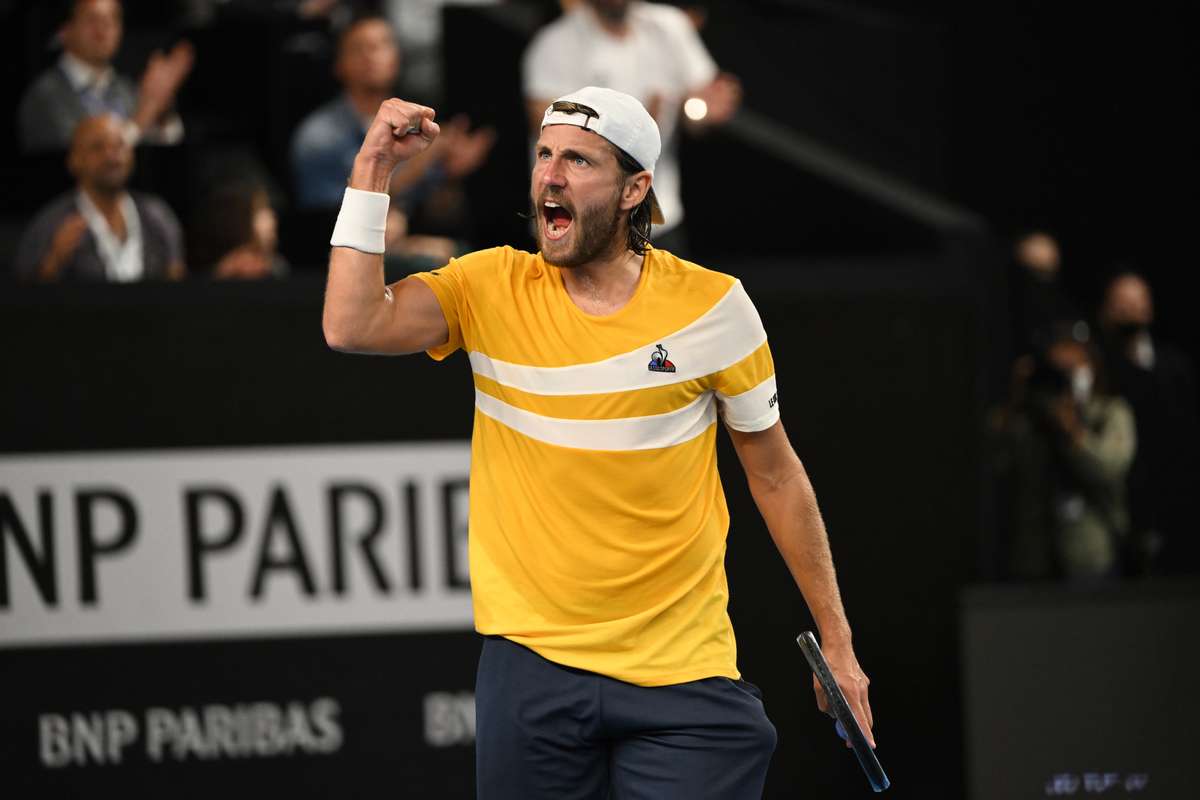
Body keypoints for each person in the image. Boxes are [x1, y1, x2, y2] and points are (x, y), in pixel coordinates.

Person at [320, 86, 874, 798]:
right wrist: (372, 171)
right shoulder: (487, 286)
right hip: (533, 673)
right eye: (544, 154)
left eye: (578, 160)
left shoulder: (715, 308)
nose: (549, 174)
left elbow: (776, 476)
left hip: (683, 678)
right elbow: (351, 325)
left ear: (633, 189)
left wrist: (839, 639)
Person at [522, 0, 742, 255]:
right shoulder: (554, 46)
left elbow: (699, 108)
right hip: (577, 222)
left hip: (656, 218)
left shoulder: (669, 27)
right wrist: (633, 130)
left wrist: (708, 110)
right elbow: (550, 134)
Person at [289, 14, 495, 222]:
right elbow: (325, 222)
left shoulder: (416, 120)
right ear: (339, 64)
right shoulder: (318, 135)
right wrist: (422, 161)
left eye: (383, 45)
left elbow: (441, 213)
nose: (371, 56)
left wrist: (452, 175)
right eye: (359, 48)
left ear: (397, 57)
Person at [990, 325, 1136, 580]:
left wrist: (1072, 432)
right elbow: (996, 466)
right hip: (1034, 559)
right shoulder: (1029, 419)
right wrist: (1016, 398)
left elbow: (1109, 468)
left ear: (1092, 366)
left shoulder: (1109, 412)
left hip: (1092, 556)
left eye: (1071, 370)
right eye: (1058, 372)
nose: (1065, 382)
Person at [1098, 272, 1199, 575]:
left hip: (1176, 499)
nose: (1130, 309)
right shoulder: (1101, 369)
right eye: (1122, 303)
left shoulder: (1175, 366)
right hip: (1122, 500)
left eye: (1137, 301)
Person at [13, 114, 185, 282]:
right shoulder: (53, 222)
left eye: (120, 146)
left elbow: (176, 278)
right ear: (74, 160)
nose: (111, 157)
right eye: (97, 147)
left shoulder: (157, 216)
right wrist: (55, 260)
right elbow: (25, 295)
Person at [17, 0, 194, 153]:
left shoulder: (127, 89)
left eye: (113, 18)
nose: (103, 28)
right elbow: (86, 163)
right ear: (65, 31)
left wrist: (162, 110)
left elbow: (159, 155)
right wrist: (144, 115)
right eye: (92, 19)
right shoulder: (46, 97)